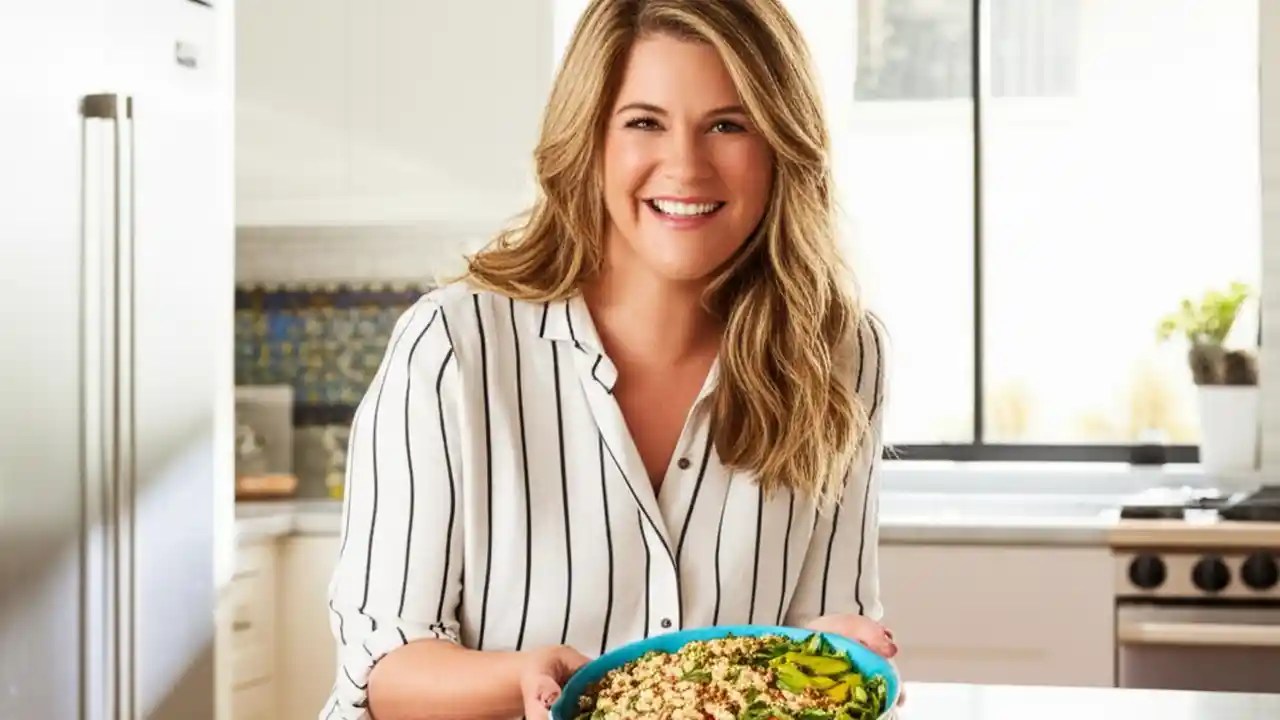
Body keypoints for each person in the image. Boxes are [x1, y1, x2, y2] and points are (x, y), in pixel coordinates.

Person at [320, 1, 897, 718]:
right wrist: (521, 676)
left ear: (782, 143)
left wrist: (829, 657)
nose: (685, 166)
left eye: (728, 124)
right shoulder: (455, 346)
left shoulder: (841, 355)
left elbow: (816, 629)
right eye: (644, 122)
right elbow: (382, 673)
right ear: (589, 140)